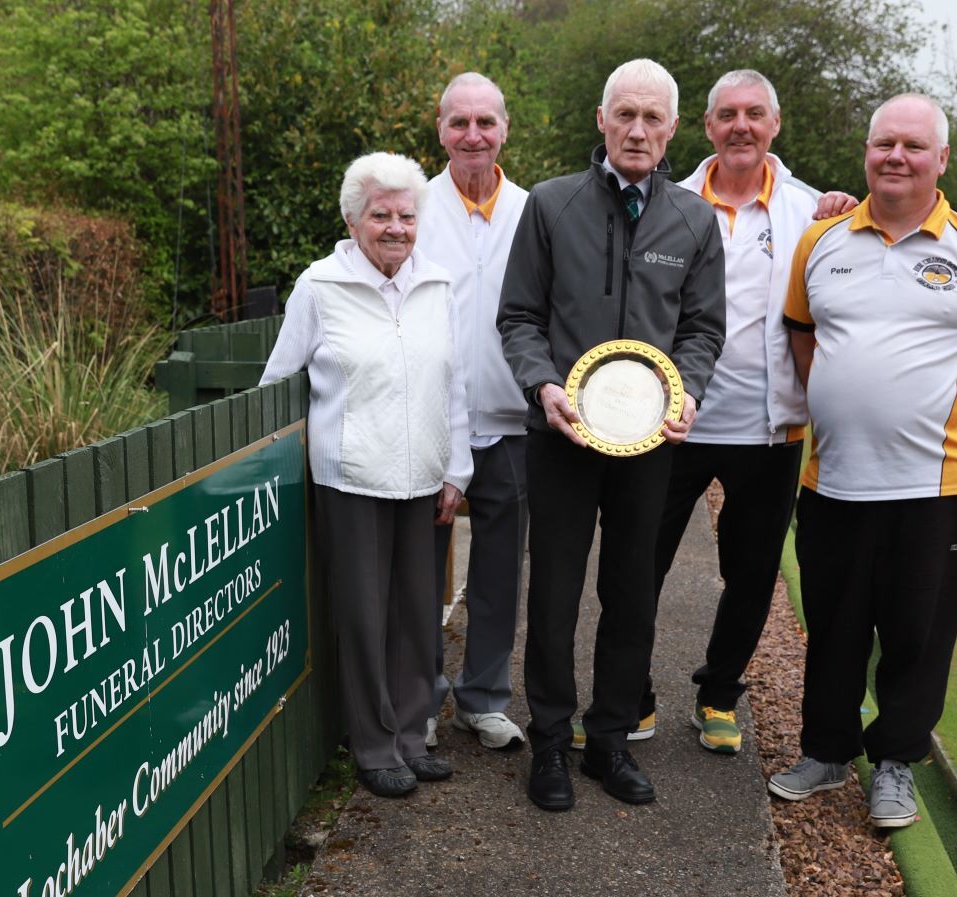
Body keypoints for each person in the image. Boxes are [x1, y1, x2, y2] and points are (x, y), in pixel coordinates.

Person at [573, 70, 858, 756]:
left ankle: (717, 692)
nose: (741, 125)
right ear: (704, 126)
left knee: (752, 574)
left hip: (769, 426)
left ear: (774, 124)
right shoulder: (664, 201)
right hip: (668, 420)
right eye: (727, 113)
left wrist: (848, 209)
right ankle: (628, 697)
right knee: (637, 565)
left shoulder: (813, 210)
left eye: (755, 114)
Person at [768, 94, 957, 828]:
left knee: (918, 635)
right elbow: (801, 337)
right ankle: (824, 753)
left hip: (937, 490)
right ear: (866, 151)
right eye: (884, 143)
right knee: (835, 627)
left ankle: (893, 765)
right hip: (835, 483)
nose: (896, 156)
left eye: (914, 146)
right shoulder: (821, 242)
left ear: (941, 159)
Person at [497, 58, 726, 811]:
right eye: (624, 114)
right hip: (561, 436)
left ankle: (611, 742)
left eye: (651, 118)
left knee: (633, 594)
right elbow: (520, 317)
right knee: (556, 594)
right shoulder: (551, 205)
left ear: (671, 131)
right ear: (601, 120)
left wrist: (688, 389)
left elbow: (701, 328)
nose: (637, 129)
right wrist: (543, 383)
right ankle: (552, 745)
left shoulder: (694, 219)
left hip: (649, 446)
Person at [259, 152, 473, 798]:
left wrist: (456, 465)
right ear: (354, 219)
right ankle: (375, 745)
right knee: (361, 615)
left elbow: (453, 383)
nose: (396, 227)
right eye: (381, 214)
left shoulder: (436, 283)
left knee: (417, 615)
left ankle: (413, 737)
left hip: (423, 478)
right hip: (350, 478)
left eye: (406, 214)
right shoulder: (319, 287)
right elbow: (275, 381)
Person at [418, 73, 529, 752]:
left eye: (485, 122)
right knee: (423, 569)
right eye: (460, 123)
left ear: (504, 129)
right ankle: (421, 695)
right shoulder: (413, 206)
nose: (473, 135)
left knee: (498, 569)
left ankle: (485, 697)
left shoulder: (532, 209)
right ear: (440, 129)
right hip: (429, 422)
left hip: (514, 420)